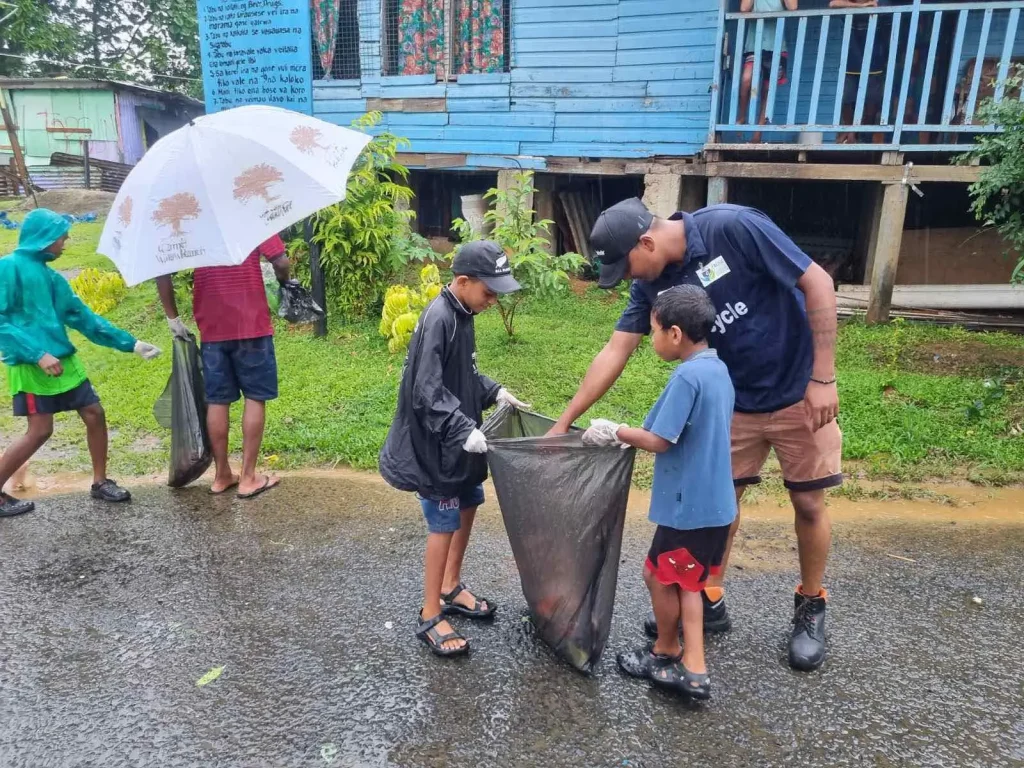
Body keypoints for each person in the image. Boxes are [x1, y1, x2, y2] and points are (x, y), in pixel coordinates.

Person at [549, 198, 841, 672]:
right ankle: (707, 596)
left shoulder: (734, 227)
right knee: (720, 508)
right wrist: (565, 421)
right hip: (730, 403)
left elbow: (818, 283)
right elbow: (615, 350)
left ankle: (810, 605)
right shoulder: (651, 284)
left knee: (809, 504)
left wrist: (822, 378)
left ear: (646, 242)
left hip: (798, 391)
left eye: (628, 267)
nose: (629, 279)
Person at [583, 286, 736, 699]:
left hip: (689, 509)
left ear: (674, 333)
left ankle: (673, 653)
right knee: (688, 583)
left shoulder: (688, 376)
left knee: (657, 575)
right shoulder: (717, 369)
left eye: (652, 332)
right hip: (715, 505)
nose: (650, 340)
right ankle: (692, 665)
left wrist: (614, 430)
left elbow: (659, 439)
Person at [379, 241, 530, 658]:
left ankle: (450, 585)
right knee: (443, 522)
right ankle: (431, 614)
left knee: (470, 502)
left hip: (460, 444)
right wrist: (462, 427)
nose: (493, 298)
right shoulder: (439, 318)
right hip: (436, 447)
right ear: (462, 281)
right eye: (489, 290)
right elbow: (426, 390)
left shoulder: (464, 312)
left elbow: (464, 374)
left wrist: (495, 391)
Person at [0, 208, 161, 517]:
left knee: (94, 412)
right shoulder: (8, 268)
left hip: (63, 358)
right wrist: (37, 354)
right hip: (29, 363)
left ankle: (100, 482)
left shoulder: (52, 278)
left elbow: (83, 317)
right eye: (62, 237)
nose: (66, 242)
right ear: (44, 239)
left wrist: (132, 344)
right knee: (40, 431)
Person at [156, 235, 292, 499]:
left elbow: (163, 273)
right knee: (255, 397)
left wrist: (173, 318)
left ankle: (221, 475)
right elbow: (282, 261)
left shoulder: (192, 226)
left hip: (212, 329)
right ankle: (249, 477)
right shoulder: (247, 214)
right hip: (252, 326)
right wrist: (286, 283)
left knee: (218, 400)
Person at [738, 0, 798, 144]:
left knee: (767, 91)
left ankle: (757, 135)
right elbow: (744, 8)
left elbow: (793, 7)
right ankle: (741, 117)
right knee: (747, 79)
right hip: (755, 44)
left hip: (776, 46)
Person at [832, 0, 890, 144]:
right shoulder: (850, 4)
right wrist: (861, 7)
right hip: (851, 61)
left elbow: (887, 8)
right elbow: (833, 4)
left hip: (874, 61)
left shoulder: (880, 4)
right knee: (846, 100)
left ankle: (857, 134)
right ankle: (850, 133)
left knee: (871, 102)